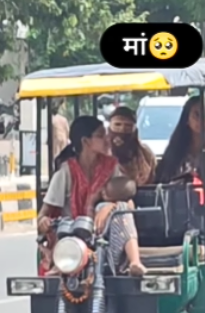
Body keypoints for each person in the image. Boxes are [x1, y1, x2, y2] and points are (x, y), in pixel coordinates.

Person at [37, 116, 146, 276]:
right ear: (86, 142)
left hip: (106, 245)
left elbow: (129, 204)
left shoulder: (112, 167)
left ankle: (135, 261)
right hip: (71, 248)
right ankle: (60, 268)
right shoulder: (66, 173)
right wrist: (44, 222)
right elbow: (42, 216)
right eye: (101, 136)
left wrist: (111, 206)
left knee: (121, 207)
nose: (107, 139)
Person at [153, 96, 205, 240]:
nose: (202, 119)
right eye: (196, 114)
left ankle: (201, 250)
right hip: (179, 209)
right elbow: (163, 181)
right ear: (187, 119)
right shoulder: (176, 151)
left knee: (201, 221)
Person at [107, 107, 157, 185]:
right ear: (110, 126)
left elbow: (154, 178)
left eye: (128, 125)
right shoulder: (101, 152)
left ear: (134, 128)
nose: (122, 129)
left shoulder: (145, 153)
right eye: (117, 124)